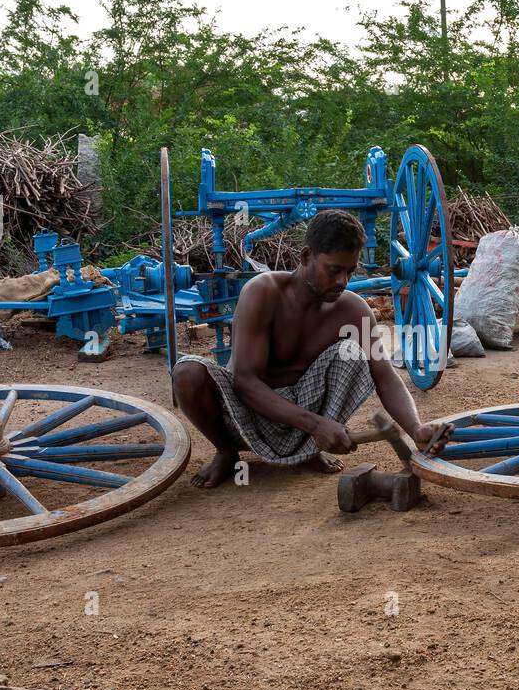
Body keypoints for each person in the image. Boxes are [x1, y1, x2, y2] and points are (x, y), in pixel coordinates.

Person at [172, 209, 449, 488]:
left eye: (350, 271)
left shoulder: (353, 310)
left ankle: (307, 450)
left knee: (352, 354)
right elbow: (245, 382)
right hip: (245, 418)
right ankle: (226, 451)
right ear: (306, 257)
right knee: (187, 373)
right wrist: (316, 425)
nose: (342, 281)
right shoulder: (263, 292)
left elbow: (386, 377)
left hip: (304, 423)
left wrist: (415, 429)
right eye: (334, 270)